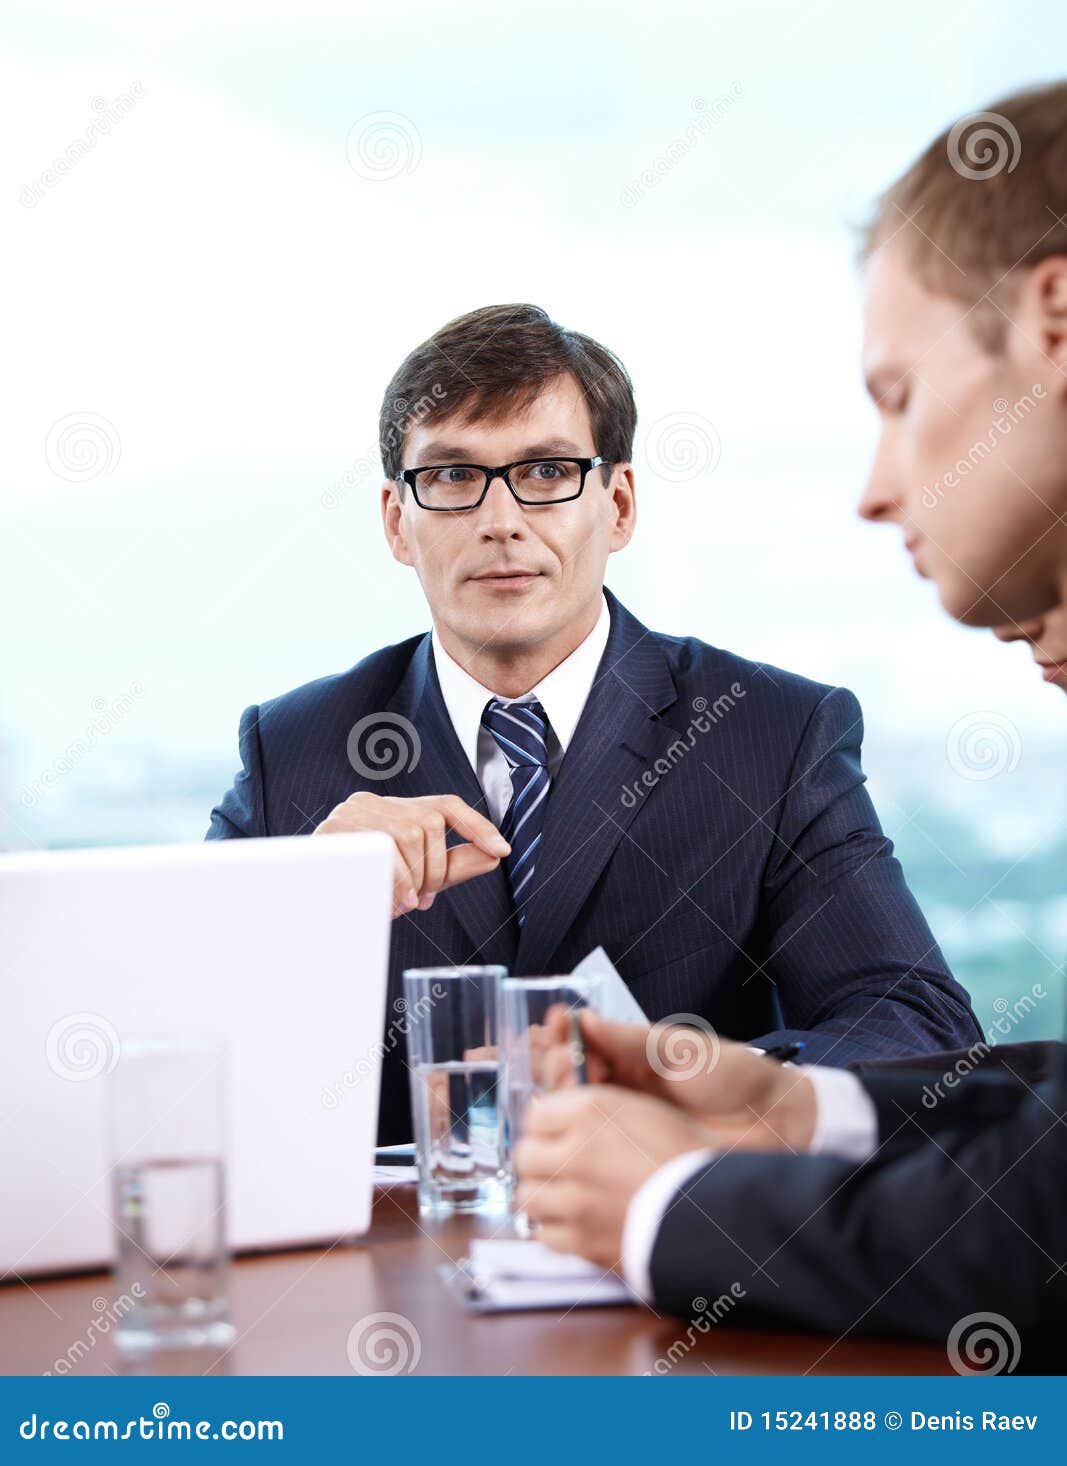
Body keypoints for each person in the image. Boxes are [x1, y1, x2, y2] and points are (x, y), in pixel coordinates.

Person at [515, 81, 1067, 1357]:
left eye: (894, 392)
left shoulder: (776, 729)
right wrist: (801, 1113)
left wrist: (667, 1201)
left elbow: (1036, 1229)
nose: (874, 492)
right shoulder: (305, 744)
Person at [206, 303, 977, 1142]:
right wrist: (304, 905)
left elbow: (918, 1027)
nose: (500, 520)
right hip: (396, 1260)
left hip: (679, 1249)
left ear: (617, 504)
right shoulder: (294, 753)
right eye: (454, 477)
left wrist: (702, 1093)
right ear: (398, 521)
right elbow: (172, 1037)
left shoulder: (771, 734)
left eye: (544, 472)